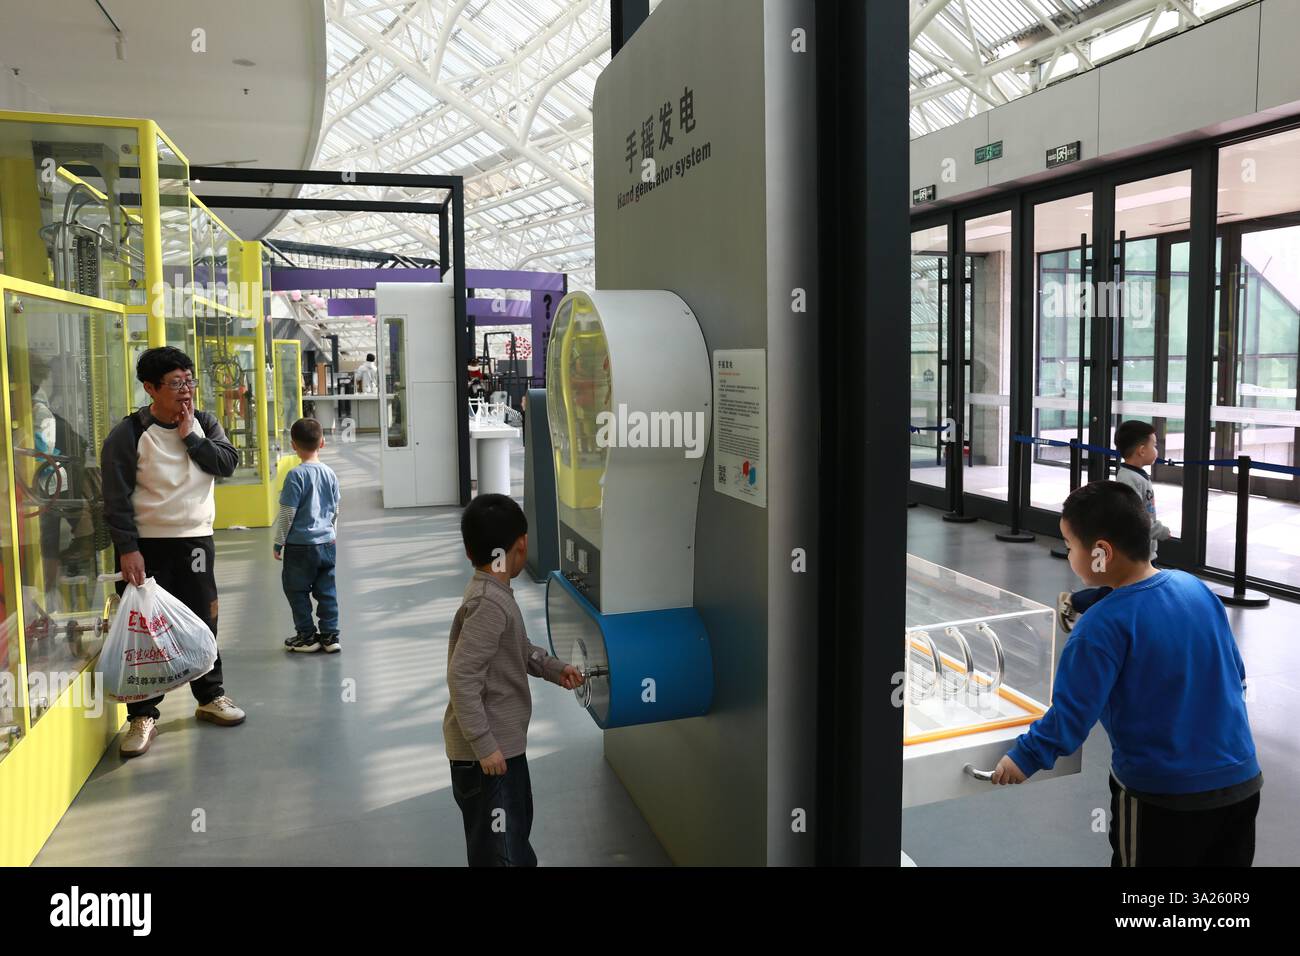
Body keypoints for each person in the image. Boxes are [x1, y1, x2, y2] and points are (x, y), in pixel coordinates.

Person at [992, 480, 1262, 867]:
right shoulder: (1196, 589)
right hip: (1241, 784)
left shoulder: (1099, 629)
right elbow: (1236, 675)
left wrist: (1024, 758)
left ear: (1101, 553)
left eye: (1070, 546)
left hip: (1163, 799)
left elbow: (1072, 716)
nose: (1069, 555)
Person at [101, 347, 245, 758]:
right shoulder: (128, 434)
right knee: (143, 631)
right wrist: (127, 549)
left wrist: (191, 439)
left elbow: (227, 463)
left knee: (204, 619)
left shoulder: (204, 424)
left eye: (189, 381)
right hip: (145, 548)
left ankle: (210, 696)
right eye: (176, 384)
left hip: (196, 540)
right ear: (150, 388)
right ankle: (142, 716)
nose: (186, 391)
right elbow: (115, 498)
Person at [443, 493, 584, 866]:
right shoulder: (490, 603)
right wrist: (485, 745)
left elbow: (518, 650)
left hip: (503, 751)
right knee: (501, 855)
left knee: (514, 842)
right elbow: (462, 676)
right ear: (520, 545)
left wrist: (554, 668)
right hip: (488, 759)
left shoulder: (493, 592)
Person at [1057, 420, 1171, 632]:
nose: (1157, 450)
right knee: (1117, 591)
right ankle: (1074, 601)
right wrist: (1161, 531)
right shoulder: (1128, 480)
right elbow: (1136, 519)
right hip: (1132, 550)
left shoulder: (1138, 476)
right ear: (1141, 450)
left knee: (1126, 589)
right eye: (1154, 445)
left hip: (1143, 549)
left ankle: (1075, 601)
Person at [275, 418, 341, 653]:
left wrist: (278, 542)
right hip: (326, 543)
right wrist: (332, 535)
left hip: (300, 546)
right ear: (322, 443)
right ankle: (330, 636)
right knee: (327, 591)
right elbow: (335, 509)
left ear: (293, 445)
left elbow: (287, 513)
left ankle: (306, 636)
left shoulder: (295, 475)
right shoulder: (330, 474)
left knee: (296, 589)